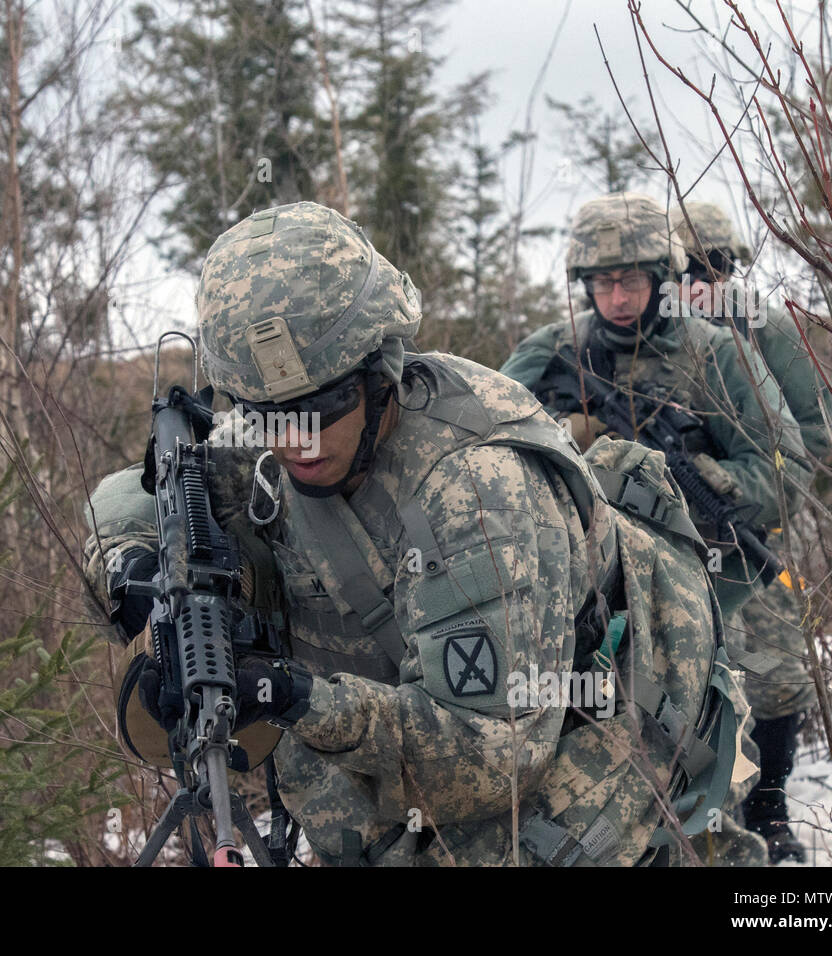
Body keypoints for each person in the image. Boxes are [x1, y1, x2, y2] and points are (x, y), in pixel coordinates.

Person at [85, 200, 726, 866]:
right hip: (414, 753)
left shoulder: (475, 489)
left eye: (321, 407)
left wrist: (294, 695)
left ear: (378, 371)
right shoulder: (284, 418)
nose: (295, 440)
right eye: (268, 414)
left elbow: (490, 758)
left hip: (566, 750)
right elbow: (121, 496)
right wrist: (136, 571)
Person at [498, 191, 812, 865]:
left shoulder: (718, 356)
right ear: (584, 284)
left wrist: (703, 479)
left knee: (721, 717)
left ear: (661, 278)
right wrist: (565, 448)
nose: (617, 297)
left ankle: (752, 822)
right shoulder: (552, 352)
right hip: (585, 580)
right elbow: (488, 449)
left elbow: (787, 468)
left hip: (707, 571)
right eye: (603, 282)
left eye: (633, 280)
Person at [671, 202, 832, 863]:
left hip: (748, 534)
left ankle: (767, 804)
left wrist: (749, 482)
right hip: (661, 534)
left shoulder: (762, 328)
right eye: (690, 267)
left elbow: (815, 430)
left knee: (773, 671)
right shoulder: (653, 339)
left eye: (719, 265)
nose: (705, 279)